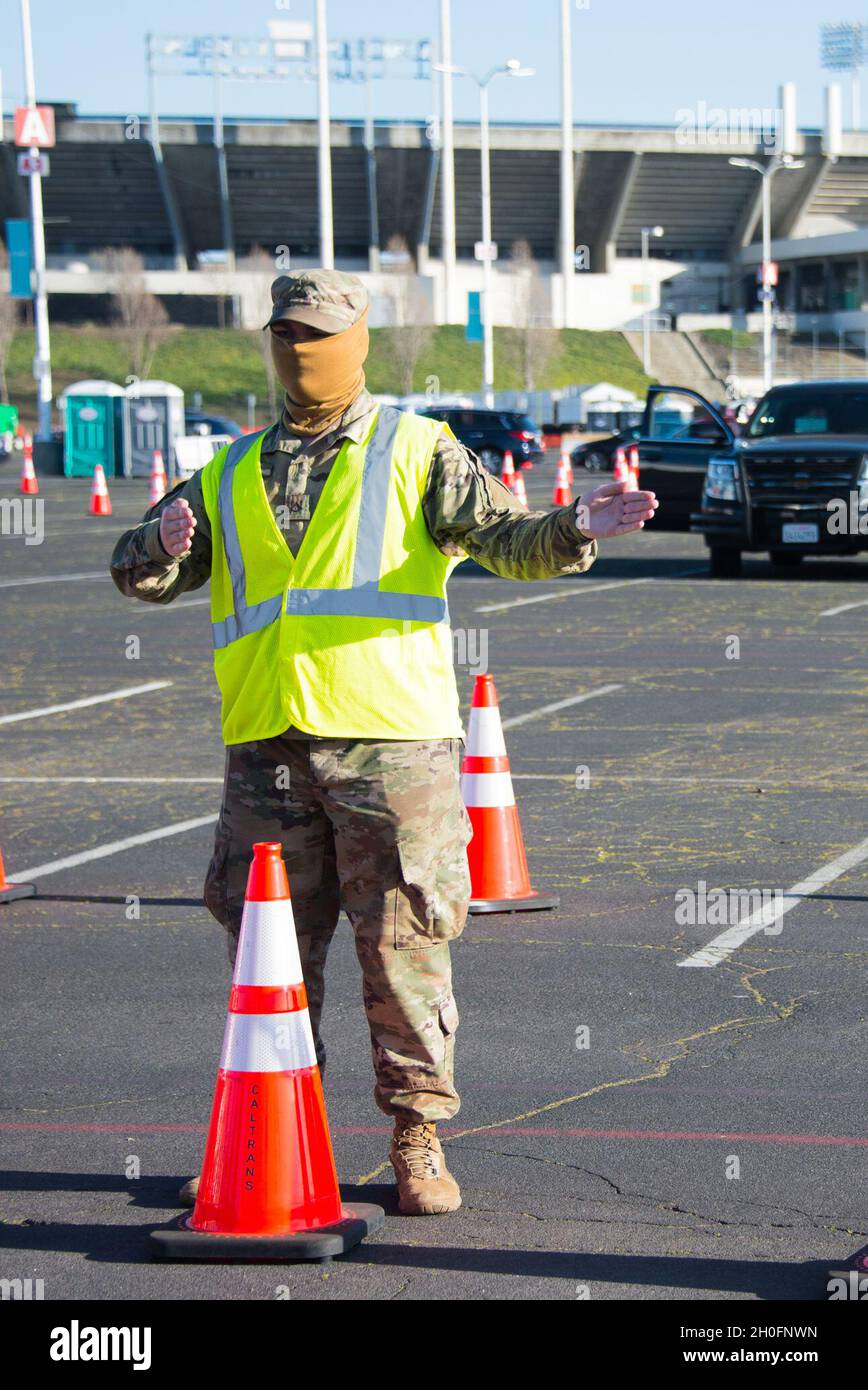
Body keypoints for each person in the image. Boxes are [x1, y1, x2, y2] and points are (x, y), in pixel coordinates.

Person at [110, 269, 657, 1215]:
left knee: (403, 943)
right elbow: (145, 572)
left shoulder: (415, 447)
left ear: (358, 338)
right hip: (268, 746)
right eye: (285, 331)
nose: (300, 348)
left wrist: (576, 525)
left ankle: (416, 1138)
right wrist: (156, 544)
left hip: (391, 747)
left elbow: (504, 538)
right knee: (267, 951)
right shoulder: (231, 468)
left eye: (318, 332)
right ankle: (271, 1135)